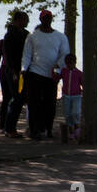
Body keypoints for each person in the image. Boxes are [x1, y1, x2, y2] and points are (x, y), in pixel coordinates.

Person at [19, 9, 69, 140]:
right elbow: (27, 54)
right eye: (44, 18)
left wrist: (58, 65)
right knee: (34, 103)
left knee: (50, 104)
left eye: (49, 17)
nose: (46, 20)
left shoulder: (60, 37)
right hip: (35, 73)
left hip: (52, 75)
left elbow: (65, 54)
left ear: (51, 19)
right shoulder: (32, 36)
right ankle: (34, 130)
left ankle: (48, 129)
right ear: (40, 19)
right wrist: (24, 69)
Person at [2, 10, 30, 137]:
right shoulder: (9, 35)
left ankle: (10, 128)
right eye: (25, 19)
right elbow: (7, 55)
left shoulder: (25, 34)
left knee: (21, 98)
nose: (27, 21)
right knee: (17, 98)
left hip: (22, 71)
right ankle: (9, 128)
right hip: (14, 72)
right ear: (18, 20)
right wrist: (14, 71)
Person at [59, 53, 83, 142]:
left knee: (75, 113)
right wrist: (53, 70)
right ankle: (71, 132)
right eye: (67, 64)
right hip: (66, 96)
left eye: (71, 64)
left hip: (76, 96)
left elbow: (83, 83)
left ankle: (77, 129)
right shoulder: (64, 71)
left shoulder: (79, 73)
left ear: (75, 63)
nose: (69, 66)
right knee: (67, 114)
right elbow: (56, 78)